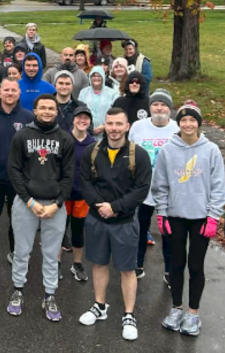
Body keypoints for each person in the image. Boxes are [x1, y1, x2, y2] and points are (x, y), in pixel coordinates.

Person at [152, 101, 225, 336]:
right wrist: (162, 212)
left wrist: (213, 216)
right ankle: (176, 308)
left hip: (201, 218)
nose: (187, 124)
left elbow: (217, 186)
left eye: (192, 120)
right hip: (175, 215)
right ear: (178, 122)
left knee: (195, 265)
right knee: (176, 264)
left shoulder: (211, 150)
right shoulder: (168, 149)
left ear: (199, 123)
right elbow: (160, 183)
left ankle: (193, 313)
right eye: (183, 120)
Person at [77, 108, 152, 341]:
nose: (114, 128)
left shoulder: (138, 155)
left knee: (127, 269)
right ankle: (100, 306)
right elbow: (85, 182)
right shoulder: (92, 151)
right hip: (97, 219)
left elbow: (141, 190)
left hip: (125, 222)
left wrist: (115, 207)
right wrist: (100, 206)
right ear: (104, 125)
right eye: (110, 123)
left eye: (119, 124)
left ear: (127, 126)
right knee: (98, 263)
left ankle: (129, 314)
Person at [6, 94, 74, 321]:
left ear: (57, 112)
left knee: (51, 254)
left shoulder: (65, 139)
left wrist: (58, 204)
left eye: (51, 108)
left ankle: (50, 294)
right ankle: (18, 290)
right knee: (22, 251)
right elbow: (14, 171)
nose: (47, 111)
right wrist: (29, 200)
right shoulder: (22, 136)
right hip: (27, 203)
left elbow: (68, 176)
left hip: (54, 205)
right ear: (34, 110)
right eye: (42, 108)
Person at [0, 78, 34, 271]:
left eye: (13, 90)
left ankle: (16, 251)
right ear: (0, 91)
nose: (10, 93)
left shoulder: (27, 117)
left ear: (19, 93)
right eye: (6, 90)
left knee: (17, 218)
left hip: (19, 179)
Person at [127, 89, 177, 281]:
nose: (159, 108)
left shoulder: (178, 128)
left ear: (169, 108)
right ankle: (137, 264)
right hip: (142, 188)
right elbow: (129, 153)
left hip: (170, 190)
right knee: (139, 228)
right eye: (155, 104)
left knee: (168, 232)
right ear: (150, 107)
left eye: (163, 104)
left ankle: (169, 270)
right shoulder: (138, 127)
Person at [65, 107, 96, 282]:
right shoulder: (64, 138)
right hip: (63, 193)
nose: (82, 121)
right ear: (73, 120)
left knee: (78, 231)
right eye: (79, 117)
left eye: (86, 118)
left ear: (89, 121)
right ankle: (56, 264)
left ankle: (77, 263)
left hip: (82, 195)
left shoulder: (93, 144)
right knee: (59, 231)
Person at [78, 67, 119, 139]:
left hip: (107, 133)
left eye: (99, 76)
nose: (96, 78)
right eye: (94, 76)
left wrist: (105, 125)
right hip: (86, 133)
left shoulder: (112, 93)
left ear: (103, 77)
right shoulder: (83, 92)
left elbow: (117, 112)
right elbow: (79, 110)